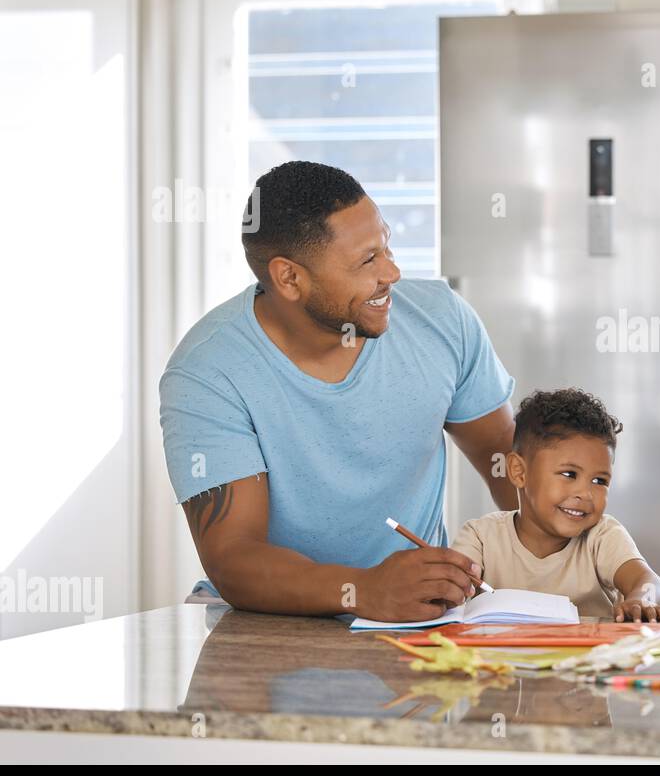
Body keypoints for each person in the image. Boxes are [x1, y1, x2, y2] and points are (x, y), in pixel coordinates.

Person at [160, 160, 516, 622]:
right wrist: (363, 590)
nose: (392, 273)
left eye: (386, 246)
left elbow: (510, 466)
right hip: (265, 623)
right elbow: (234, 556)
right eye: (367, 260)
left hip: (417, 616)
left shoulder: (442, 320)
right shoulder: (207, 371)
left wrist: (597, 564)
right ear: (289, 278)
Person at [452, 389, 660, 622]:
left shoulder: (602, 536)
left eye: (600, 481)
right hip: (499, 659)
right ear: (519, 471)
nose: (585, 494)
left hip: (591, 658)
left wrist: (643, 599)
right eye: (569, 474)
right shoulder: (480, 537)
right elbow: (448, 592)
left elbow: (651, 583)